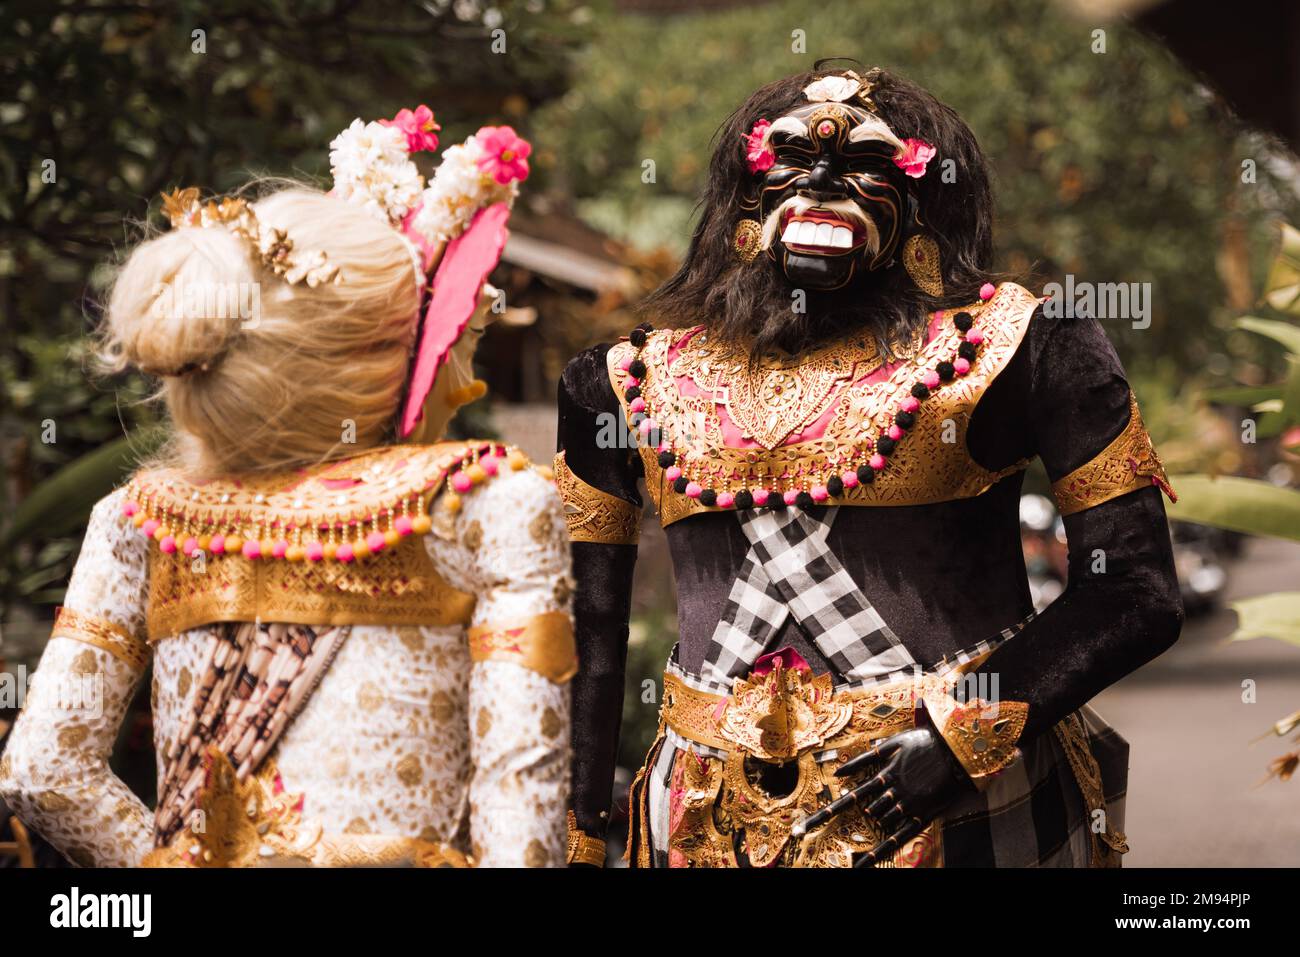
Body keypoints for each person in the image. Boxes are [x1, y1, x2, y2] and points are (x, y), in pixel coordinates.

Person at [556, 66, 1183, 868]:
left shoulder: (1023, 346)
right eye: (791, 159)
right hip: (699, 821)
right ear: (746, 200)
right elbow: (585, 633)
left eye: (864, 167)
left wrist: (960, 737)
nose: (820, 183)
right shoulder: (617, 380)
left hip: (960, 803)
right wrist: (576, 831)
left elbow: (1136, 590)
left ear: (920, 207)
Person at [0, 107, 574, 868]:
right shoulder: (486, 503)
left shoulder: (138, 517)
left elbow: (41, 772)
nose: (464, 379)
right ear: (386, 359)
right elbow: (521, 835)